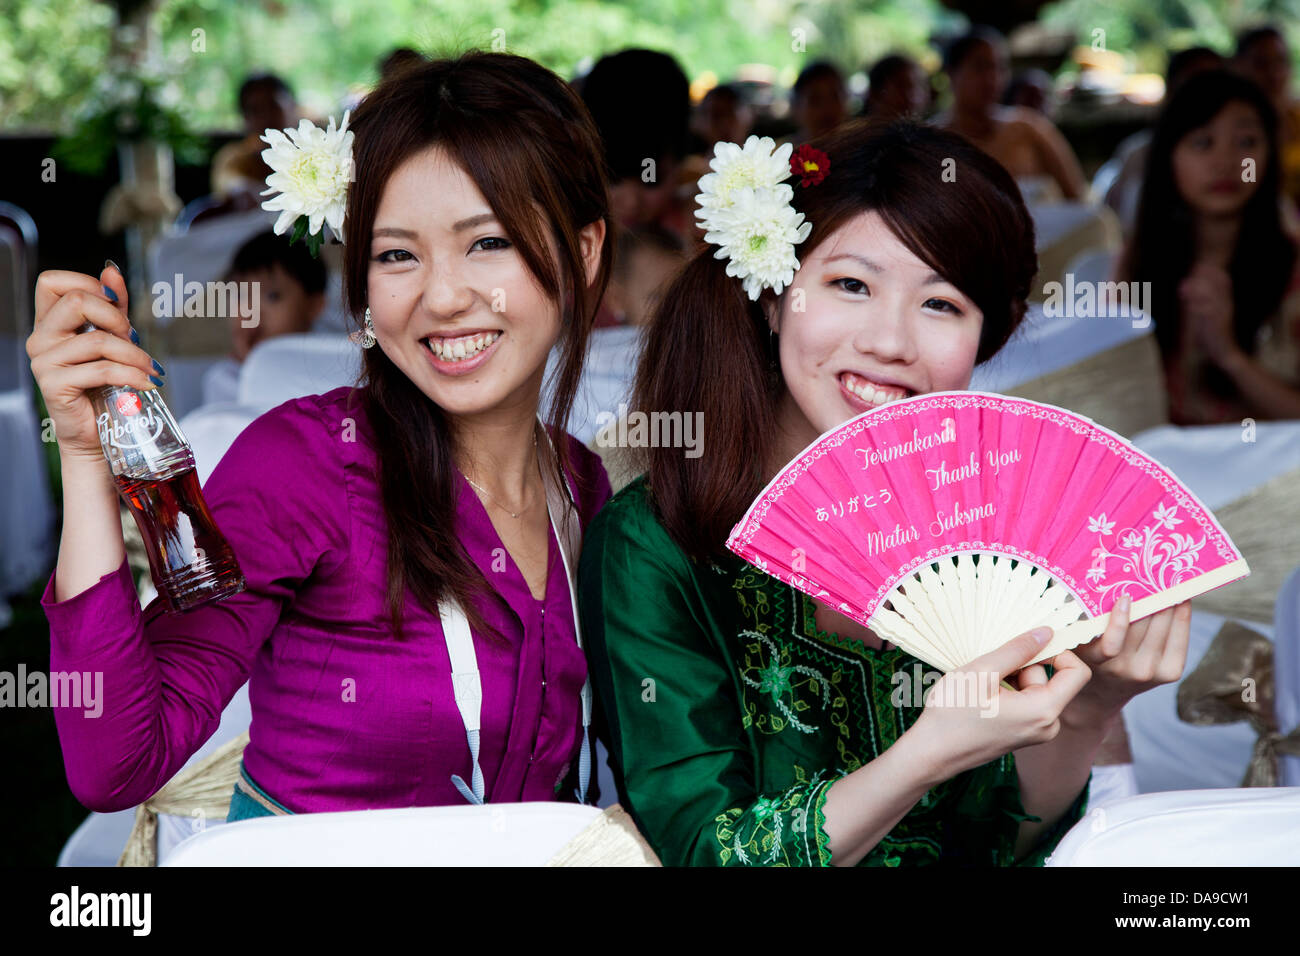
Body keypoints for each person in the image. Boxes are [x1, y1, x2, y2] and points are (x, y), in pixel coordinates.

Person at [578, 120, 1193, 866]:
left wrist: (1093, 706)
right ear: (773, 297)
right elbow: (705, 851)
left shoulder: (990, 538)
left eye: (941, 305)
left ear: (985, 338)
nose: (891, 341)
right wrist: (923, 755)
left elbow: (1000, 845)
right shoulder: (658, 542)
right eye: (850, 285)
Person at [30, 51, 614, 820]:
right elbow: (115, 764)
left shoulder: (583, 485)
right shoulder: (302, 466)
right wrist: (80, 456)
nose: (441, 297)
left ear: (582, 253)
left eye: (488, 242)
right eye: (397, 254)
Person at [1119, 69, 1300, 424]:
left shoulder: (1295, 266)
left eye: (1246, 142)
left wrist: (1229, 355)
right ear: (1169, 158)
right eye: (1202, 143)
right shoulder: (1137, 262)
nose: (1226, 162)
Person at [937, 27, 1087, 202]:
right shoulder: (935, 143)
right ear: (951, 73)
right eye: (979, 67)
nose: (991, 78)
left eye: (998, 68)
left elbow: (1076, 197)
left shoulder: (1029, 129)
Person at [1103, 47, 1225, 236]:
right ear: (1171, 90)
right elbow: (1117, 226)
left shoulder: (1241, 159)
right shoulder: (1138, 154)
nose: (1204, 96)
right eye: (1193, 85)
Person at [200, 229, 329, 406]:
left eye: (272, 296)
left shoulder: (332, 364)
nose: (251, 311)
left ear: (314, 306)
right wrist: (253, 367)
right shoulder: (225, 379)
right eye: (240, 296)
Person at [1232, 24, 1300, 217]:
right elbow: (1247, 183)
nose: (1274, 74)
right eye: (1261, 64)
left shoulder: (1296, 118)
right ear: (1238, 67)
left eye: (1280, 62)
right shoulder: (1236, 129)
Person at [210, 73, 300, 201]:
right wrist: (241, 189)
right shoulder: (235, 157)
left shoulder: (313, 149)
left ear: (292, 105)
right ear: (244, 117)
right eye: (255, 110)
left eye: (273, 106)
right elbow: (226, 182)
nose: (266, 116)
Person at [787, 60, 849, 143]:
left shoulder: (859, 151)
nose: (827, 107)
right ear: (796, 106)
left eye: (834, 97)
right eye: (815, 100)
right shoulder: (782, 154)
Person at [860, 53, 930, 123]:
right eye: (902, 86)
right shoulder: (860, 132)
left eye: (919, 86)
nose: (913, 96)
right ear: (876, 93)